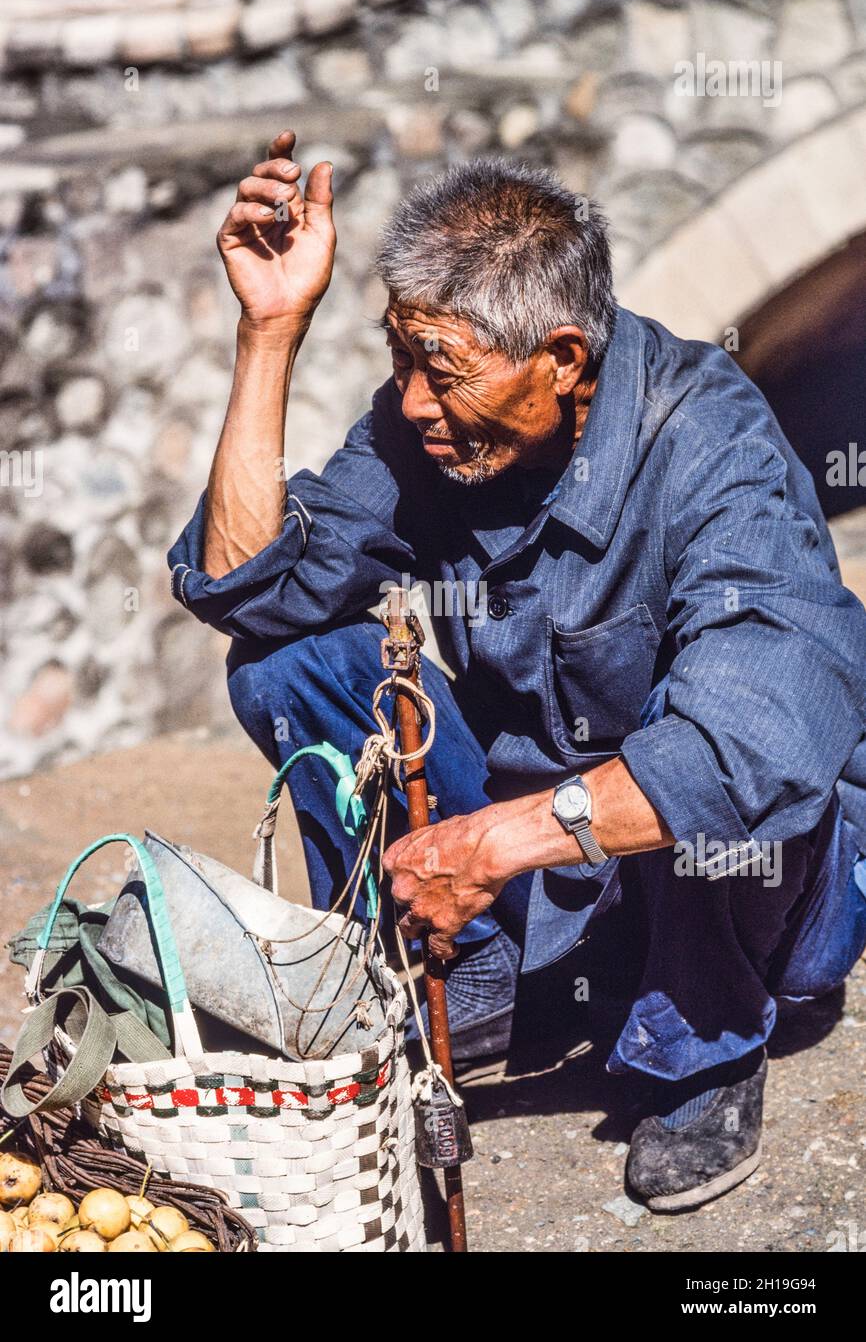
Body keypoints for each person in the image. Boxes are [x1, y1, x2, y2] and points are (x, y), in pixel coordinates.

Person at [168, 130, 866, 1212]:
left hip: (751, 893)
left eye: (438, 372)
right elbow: (248, 588)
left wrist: (489, 840)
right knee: (292, 659)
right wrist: (268, 334)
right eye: (399, 360)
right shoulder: (434, 430)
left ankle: (703, 1042)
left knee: (708, 760)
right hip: (560, 867)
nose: (407, 402)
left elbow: (761, 741)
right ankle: (487, 980)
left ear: (564, 359)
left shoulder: (708, 443)